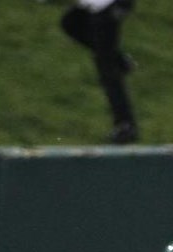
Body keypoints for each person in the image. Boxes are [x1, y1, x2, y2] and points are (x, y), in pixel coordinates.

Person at [59, 0, 139, 145]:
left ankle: (126, 124)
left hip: (110, 6)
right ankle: (120, 61)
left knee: (106, 68)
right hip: (99, 5)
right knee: (70, 23)